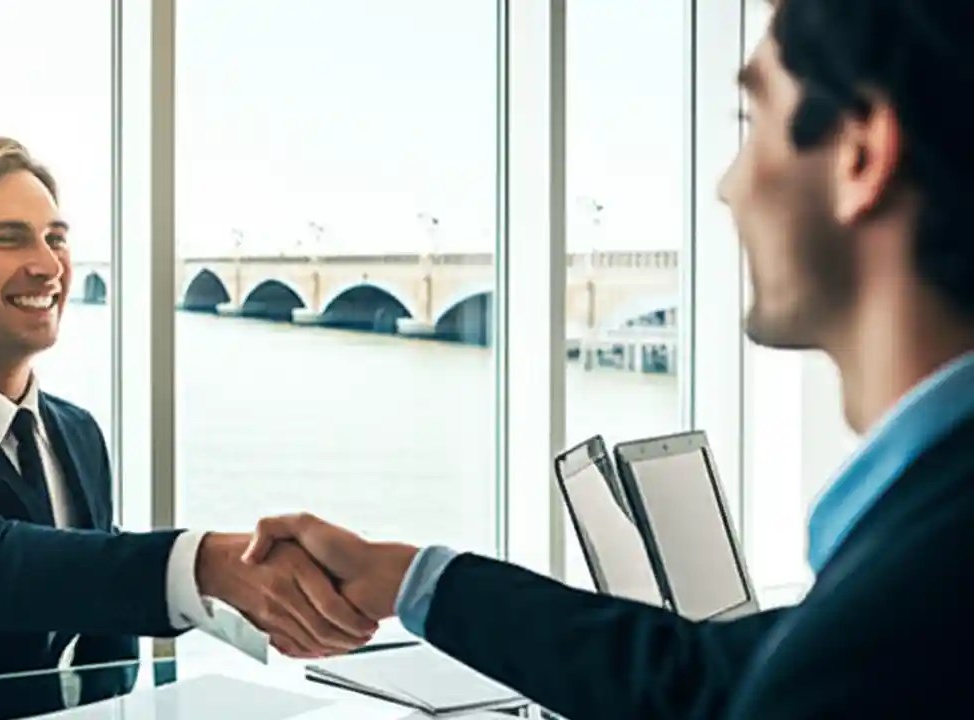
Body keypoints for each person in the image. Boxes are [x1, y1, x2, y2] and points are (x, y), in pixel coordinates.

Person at [244, 1, 974, 717]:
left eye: (752, 124)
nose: (728, 186)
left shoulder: (915, 599)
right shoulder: (923, 552)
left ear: (860, 153)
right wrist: (406, 578)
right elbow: (712, 681)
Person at [0, 137, 376, 694]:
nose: (48, 265)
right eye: (9, 240)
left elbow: (92, 604)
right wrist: (203, 564)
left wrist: (259, 603)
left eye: (56, 238)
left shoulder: (74, 430)